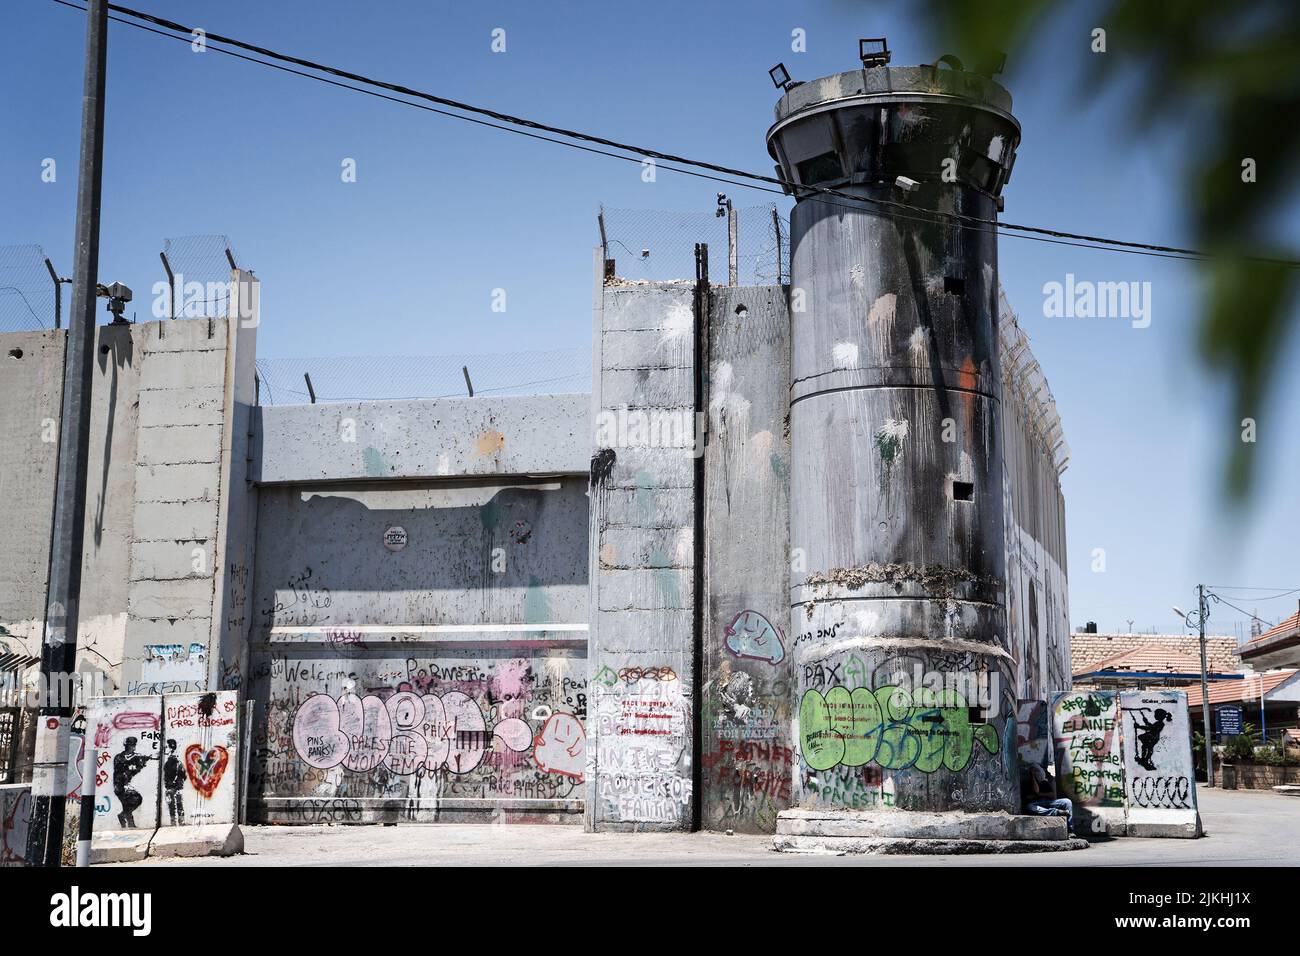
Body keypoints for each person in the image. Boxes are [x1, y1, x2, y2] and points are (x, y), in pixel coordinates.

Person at [1022, 757, 1074, 834]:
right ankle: (1056, 812)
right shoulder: (1027, 783)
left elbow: (1052, 795)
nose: (1037, 773)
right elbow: (1036, 791)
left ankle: (1070, 829)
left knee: (1067, 801)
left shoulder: (1044, 782)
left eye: (1037, 771)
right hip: (1037, 804)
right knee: (1030, 807)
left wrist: (1040, 794)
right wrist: (1033, 778)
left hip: (1048, 802)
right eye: (1034, 771)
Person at [113, 736, 153, 828]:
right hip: (119, 785)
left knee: (131, 801)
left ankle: (128, 821)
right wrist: (131, 764)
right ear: (126, 746)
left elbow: (137, 769)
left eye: (134, 745)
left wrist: (141, 764)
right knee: (134, 799)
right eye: (131, 745)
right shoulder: (119, 757)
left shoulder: (135, 757)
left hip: (127, 784)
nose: (133, 748)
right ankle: (127, 820)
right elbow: (121, 768)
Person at [162, 738, 185, 826]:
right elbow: (183, 775)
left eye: (166, 747)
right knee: (178, 806)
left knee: (173, 806)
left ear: (171, 748)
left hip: (172, 788)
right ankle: (180, 822)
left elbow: (180, 774)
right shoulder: (174, 761)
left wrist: (172, 787)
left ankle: (175, 823)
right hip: (175, 788)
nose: (164, 748)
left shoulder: (172, 761)